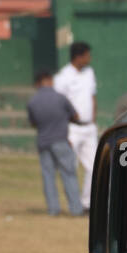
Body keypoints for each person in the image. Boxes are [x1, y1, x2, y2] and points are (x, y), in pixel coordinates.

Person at [26, 71, 84, 216]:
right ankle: (76, 209)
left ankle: (53, 209)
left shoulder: (32, 102)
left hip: (43, 142)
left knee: (48, 176)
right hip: (61, 140)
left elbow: (33, 123)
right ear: (50, 80)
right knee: (69, 174)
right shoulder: (60, 98)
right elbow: (75, 116)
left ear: (37, 83)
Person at [53, 42, 97, 210]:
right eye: (88, 55)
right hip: (71, 128)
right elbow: (58, 105)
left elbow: (92, 97)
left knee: (94, 166)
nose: (90, 58)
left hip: (89, 127)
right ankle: (74, 204)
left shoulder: (89, 73)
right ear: (79, 56)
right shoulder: (63, 77)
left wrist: (92, 119)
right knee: (70, 166)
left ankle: (86, 203)